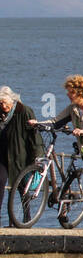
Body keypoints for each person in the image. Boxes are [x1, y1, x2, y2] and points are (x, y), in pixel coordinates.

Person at [34, 75, 83, 228]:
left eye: (70, 92)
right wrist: (38, 123)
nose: (67, 95)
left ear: (80, 92)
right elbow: (56, 121)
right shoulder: (73, 108)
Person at [0, 87, 40, 226]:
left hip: (20, 154)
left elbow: (34, 136)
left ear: (13, 100)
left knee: (21, 186)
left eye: (5, 103)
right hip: (3, 155)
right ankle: (10, 221)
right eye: (1, 103)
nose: (3, 106)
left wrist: (37, 156)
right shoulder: (0, 113)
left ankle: (26, 218)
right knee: (1, 182)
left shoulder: (24, 111)